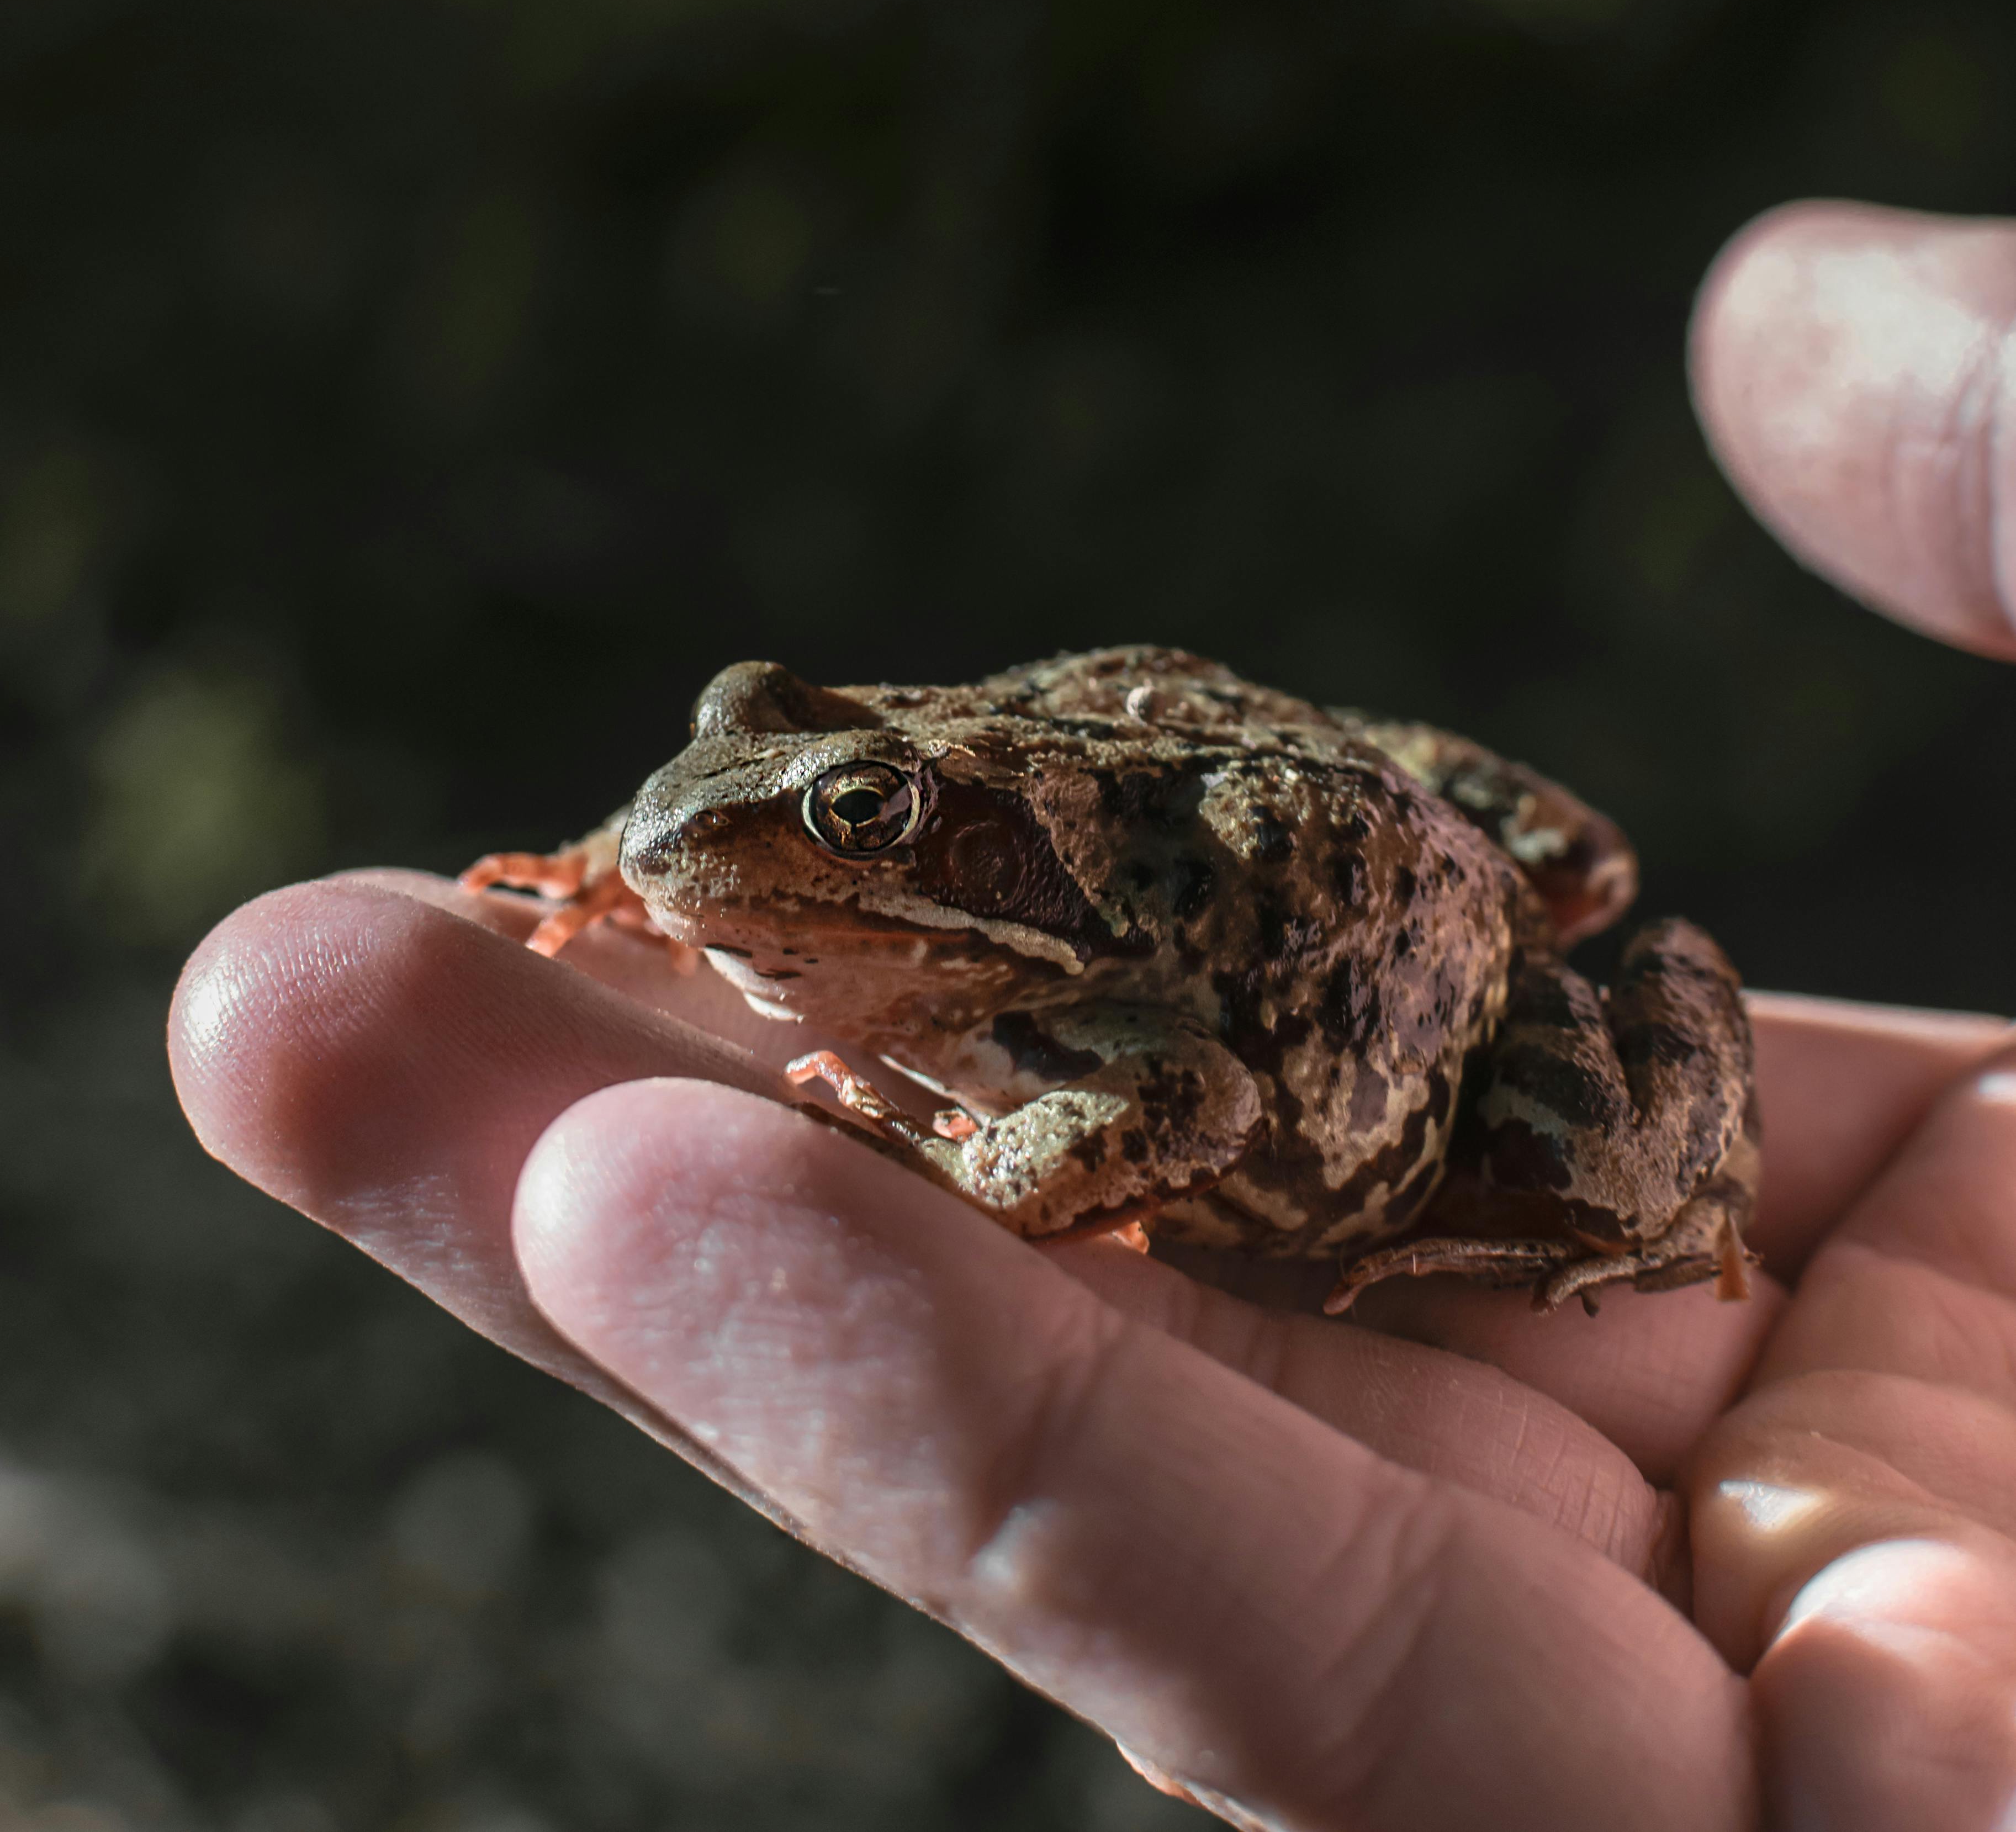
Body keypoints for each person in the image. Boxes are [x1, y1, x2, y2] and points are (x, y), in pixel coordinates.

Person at [170, 199, 2016, 1830]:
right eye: (745, 749)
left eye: (865, 824)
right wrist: (611, 865)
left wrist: (975, 1170)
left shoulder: (1097, 982)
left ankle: (1640, 1196)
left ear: (949, 845)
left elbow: (1194, 1100)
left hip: (1420, 988)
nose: (688, 829)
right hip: (1228, 793)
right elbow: (785, 774)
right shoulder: (888, 810)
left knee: (1593, 1155)